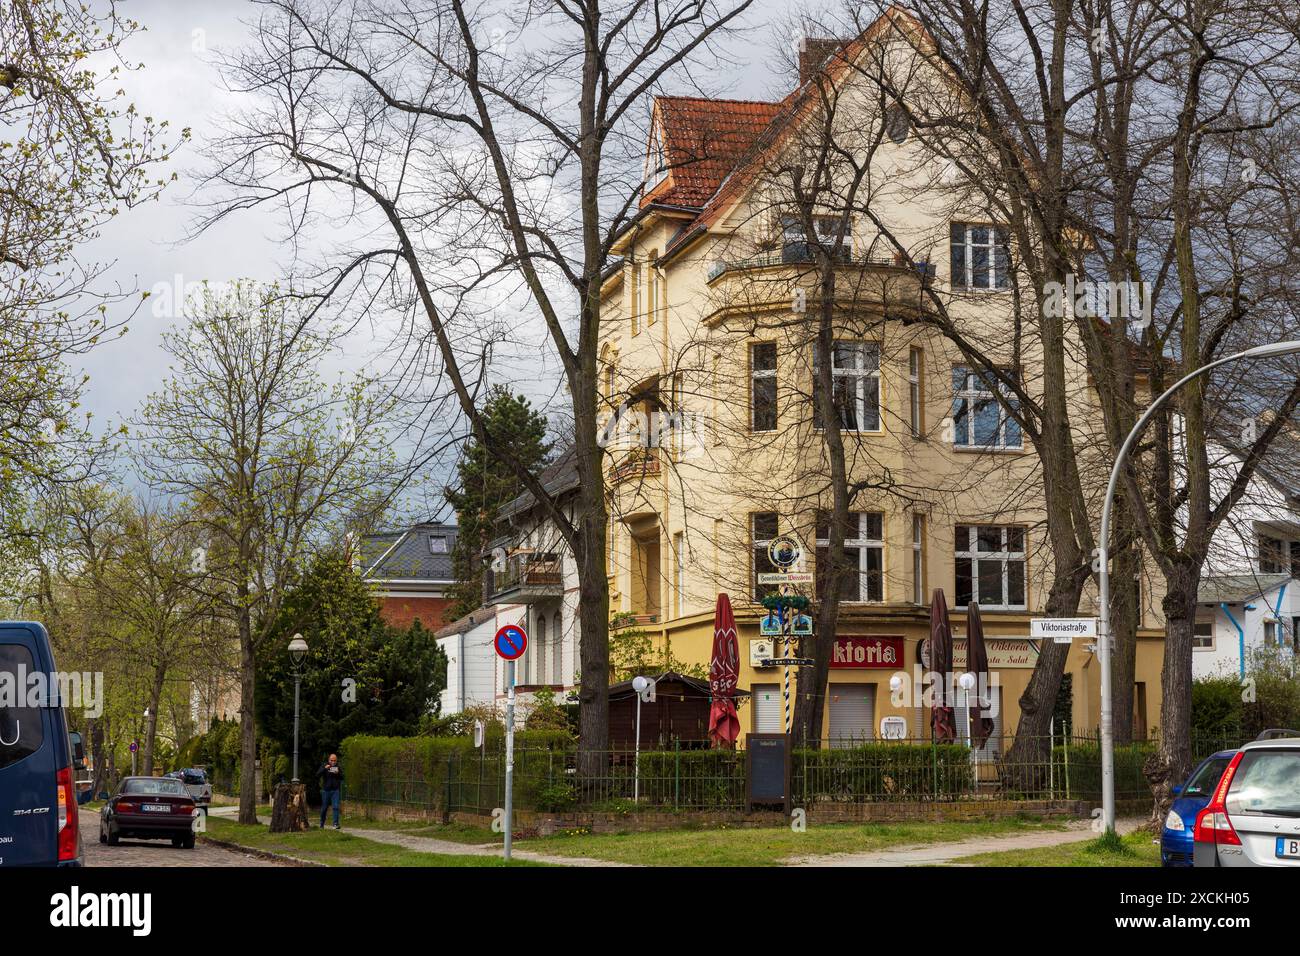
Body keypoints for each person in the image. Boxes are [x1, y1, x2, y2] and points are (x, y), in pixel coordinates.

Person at [318, 753, 344, 829]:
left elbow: (342, 777)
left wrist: (338, 773)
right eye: (331, 760)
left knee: (336, 807)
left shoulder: (338, 767)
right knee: (324, 808)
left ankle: (335, 823)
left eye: (334, 760)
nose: (333, 762)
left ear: (336, 761)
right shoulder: (324, 766)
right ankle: (322, 823)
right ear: (329, 760)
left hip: (335, 790)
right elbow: (317, 775)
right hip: (326, 791)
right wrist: (324, 769)